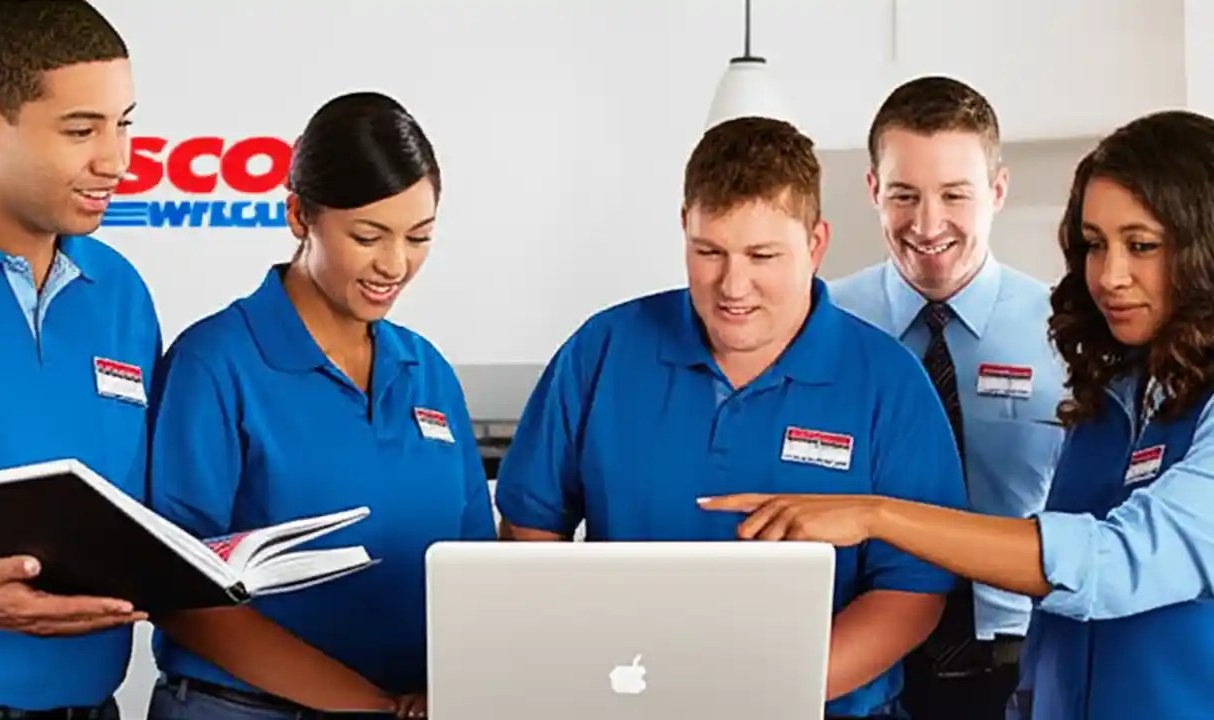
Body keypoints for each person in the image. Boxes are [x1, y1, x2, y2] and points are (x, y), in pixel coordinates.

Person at [699, 109, 1214, 720]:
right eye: (1095, 245)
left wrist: (878, 516)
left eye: (1143, 246)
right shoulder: (1113, 397)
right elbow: (1061, 629)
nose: (1110, 276)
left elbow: (1112, 560)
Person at [493, 115, 969, 719]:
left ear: (816, 244)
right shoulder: (602, 350)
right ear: (683, 230)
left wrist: (759, 690)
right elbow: (530, 528)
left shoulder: (891, 382)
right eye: (708, 252)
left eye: (762, 255)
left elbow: (913, 591)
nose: (732, 285)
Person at [144, 91, 496, 720]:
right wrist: (366, 703)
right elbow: (179, 590)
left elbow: (475, 569)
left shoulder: (428, 373)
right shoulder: (216, 363)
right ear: (299, 215)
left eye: (419, 237)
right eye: (367, 236)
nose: (395, 264)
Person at [0, 1, 157, 717]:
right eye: (81, 130)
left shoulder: (120, 291)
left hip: (94, 704)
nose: (116, 160)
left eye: (122, 122)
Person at [828, 76, 1065, 719]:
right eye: (904, 195)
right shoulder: (821, 323)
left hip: (1018, 655)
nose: (927, 224)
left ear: (997, 191)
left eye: (954, 195)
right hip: (857, 653)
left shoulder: (1067, 329)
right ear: (874, 191)